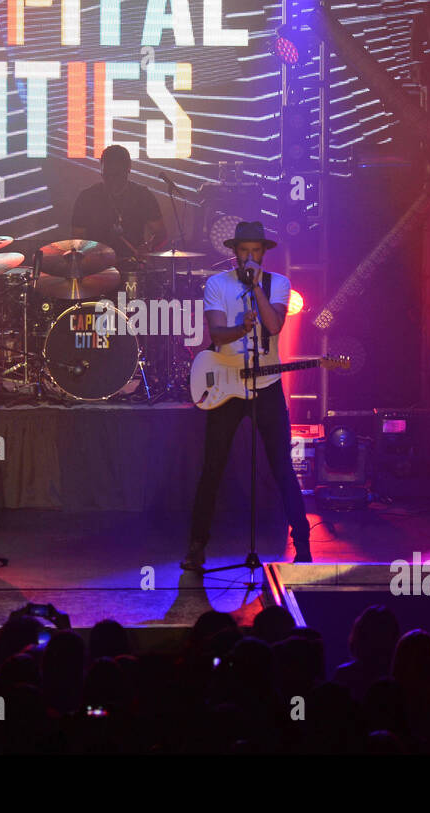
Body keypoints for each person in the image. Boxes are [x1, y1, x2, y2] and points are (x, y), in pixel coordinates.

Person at [180, 221, 312, 569]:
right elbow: (218, 334)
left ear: (263, 253)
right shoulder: (217, 283)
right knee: (213, 468)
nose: (250, 256)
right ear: (234, 253)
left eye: (256, 251)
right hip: (226, 386)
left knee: (282, 467)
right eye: (244, 251)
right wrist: (242, 327)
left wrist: (257, 291)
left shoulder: (278, 284)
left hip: (265, 387)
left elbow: (274, 326)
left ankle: (304, 546)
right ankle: (196, 547)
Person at [70, 144, 166, 261]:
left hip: (133, 267)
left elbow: (160, 233)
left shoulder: (142, 196)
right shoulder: (87, 197)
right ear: (101, 170)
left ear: (128, 169)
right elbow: (77, 239)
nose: (112, 180)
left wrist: (146, 247)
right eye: (107, 174)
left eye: (116, 175)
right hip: (97, 269)